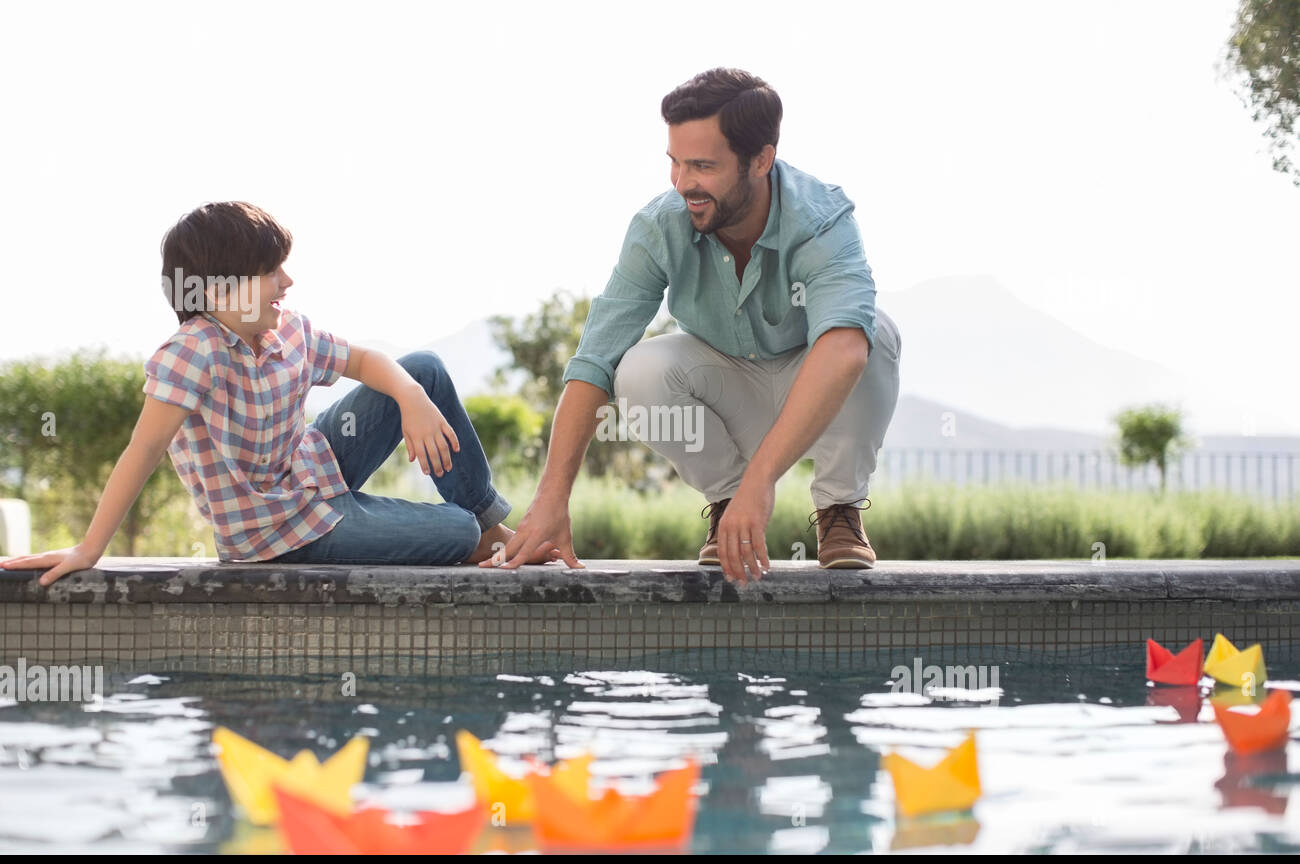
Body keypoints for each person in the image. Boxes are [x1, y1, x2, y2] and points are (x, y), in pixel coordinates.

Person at [484, 68, 902, 586]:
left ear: (761, 160)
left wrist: (763, 481)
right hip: (729, 394)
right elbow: (594, 359)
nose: (683, 184)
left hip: (819, 395)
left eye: (702, 166)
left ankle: (839, 508)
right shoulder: (659, 226)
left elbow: (842, 352)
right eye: (675, 163)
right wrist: (551, 499)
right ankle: (727, 505)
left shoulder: (822, 218)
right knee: (636, 369)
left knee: (871, 332)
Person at [1, 201, 559, 586]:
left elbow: (365, 360)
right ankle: (474, 532)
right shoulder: (191, 353)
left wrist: (410, 397)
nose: (286, 283)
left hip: (316, 473)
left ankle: (491, 523)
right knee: (453, 530)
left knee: (422, 369)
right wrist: (88, 549)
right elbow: (141, 453)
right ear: (223, 287)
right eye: (272, 271)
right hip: (276, 533)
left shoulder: (286, 329)